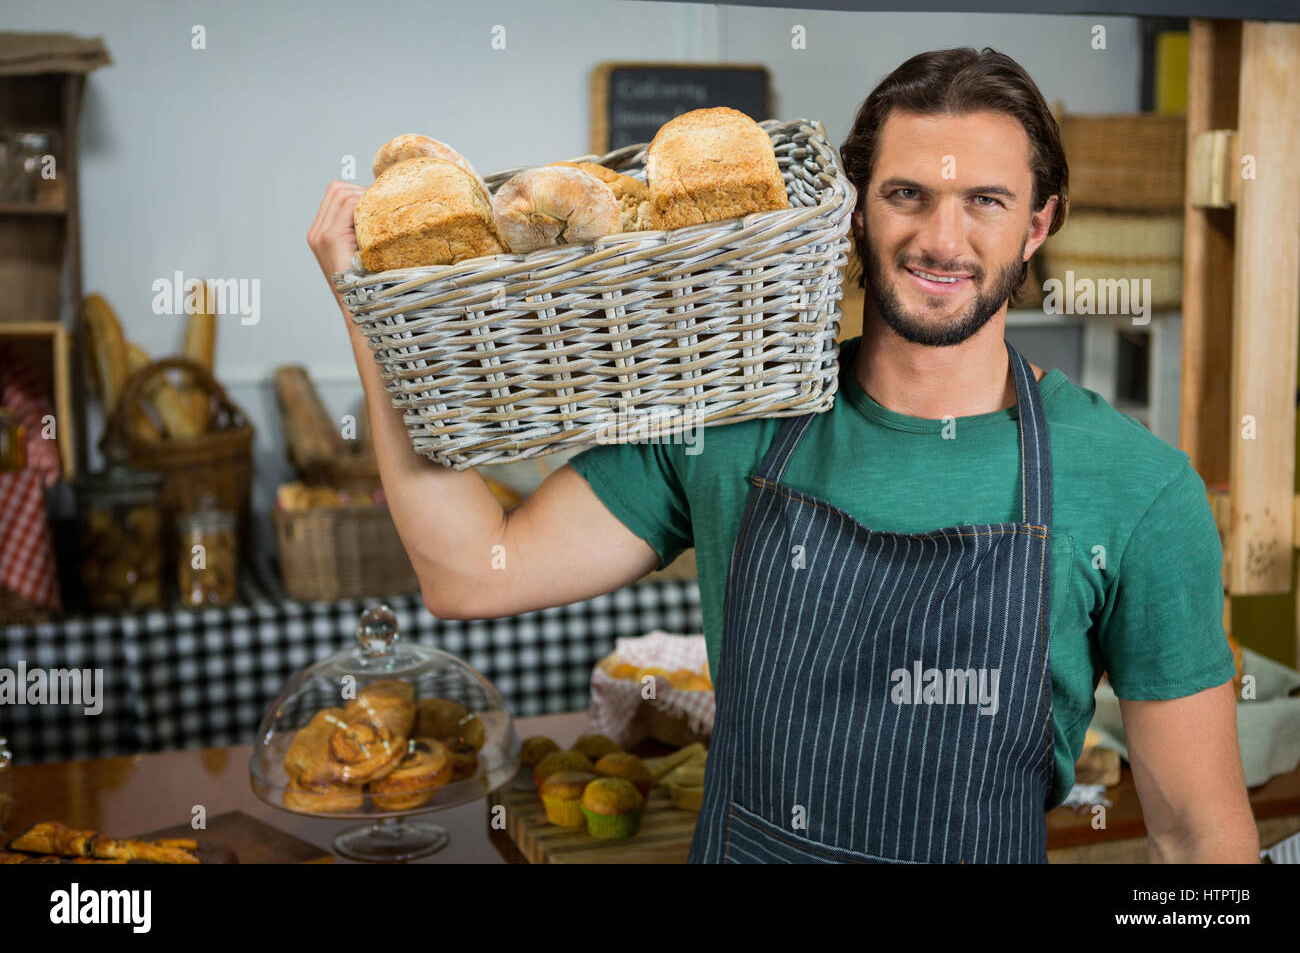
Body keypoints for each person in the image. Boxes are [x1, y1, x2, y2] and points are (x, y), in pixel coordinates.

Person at [308, 47, 1258, 863]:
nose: (942, 237)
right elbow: (471, 571)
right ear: (850, 209)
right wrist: (370, 314)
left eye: (985, 201)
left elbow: (1200, 838)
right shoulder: (730, 420)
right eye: (906, 195)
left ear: (1038, 225)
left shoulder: (1139, 489)